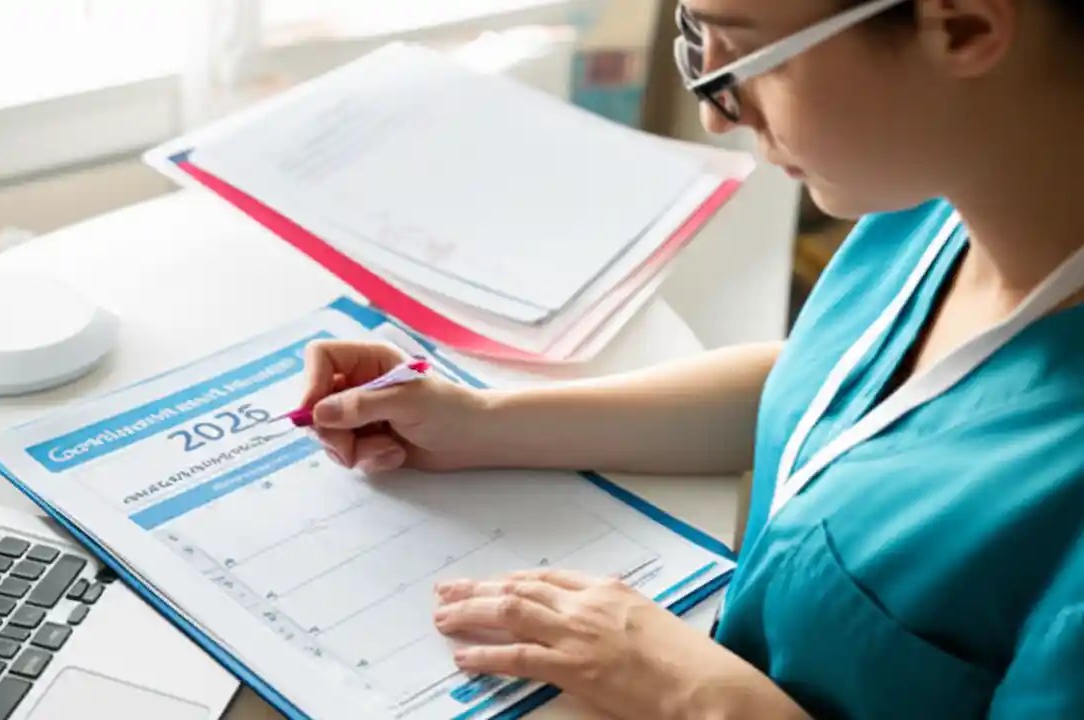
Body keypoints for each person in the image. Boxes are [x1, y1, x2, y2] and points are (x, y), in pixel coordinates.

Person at [297, 0, 1084, 717]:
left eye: (738, 52)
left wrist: (694, 692)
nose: (715, 114)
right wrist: (484, 422)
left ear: (963, 27)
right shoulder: (947, 201)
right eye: (692, 37)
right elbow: (835, 389)